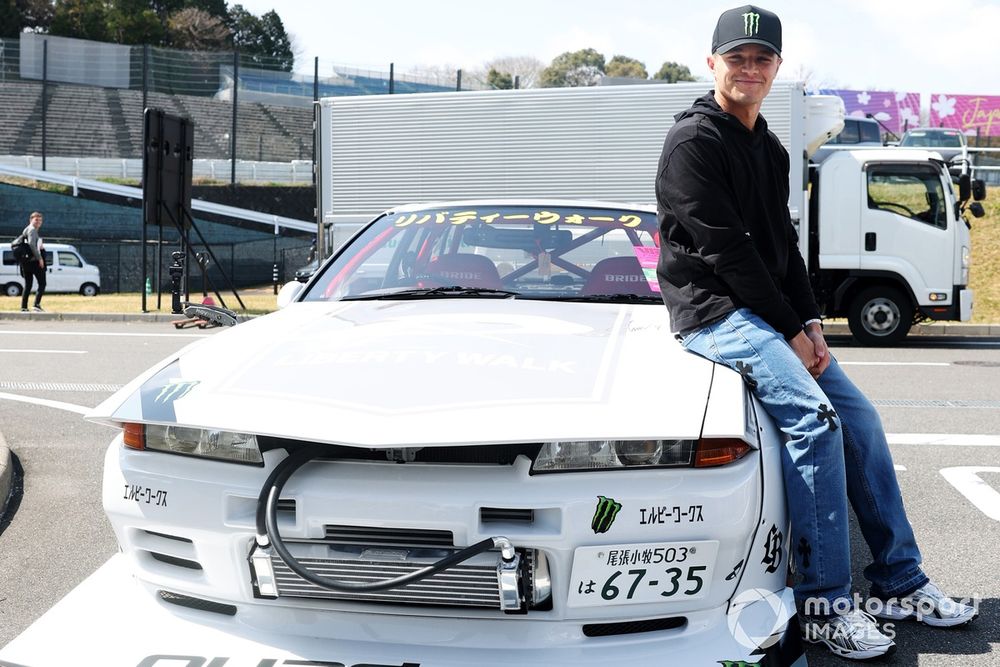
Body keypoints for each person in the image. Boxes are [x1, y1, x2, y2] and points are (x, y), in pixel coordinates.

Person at [654, 5, 977, 661]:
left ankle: (899, 581)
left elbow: (782, 246)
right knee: (815, 420)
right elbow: (729, 253)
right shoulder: (693, 142)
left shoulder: (770, 148)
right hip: (713, 313)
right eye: (737, 58)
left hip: (765, 312)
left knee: (859, 420)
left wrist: (810, 323)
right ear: (712, 63)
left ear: (776, 68)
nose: (749, 69)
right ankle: (825, 603)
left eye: (761, 59)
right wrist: (789, 329)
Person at [17, 211, 46, 312]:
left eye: (40, 220)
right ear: (31, 220)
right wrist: (40, 258)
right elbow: (32, 245)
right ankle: (36, 305)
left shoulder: (27, 229)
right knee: (42, 283)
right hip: (33, 262)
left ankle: (24, 307)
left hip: (26, 262)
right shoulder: (32, 230)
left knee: (28, 284)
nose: (39, 222)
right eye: (36, 220)